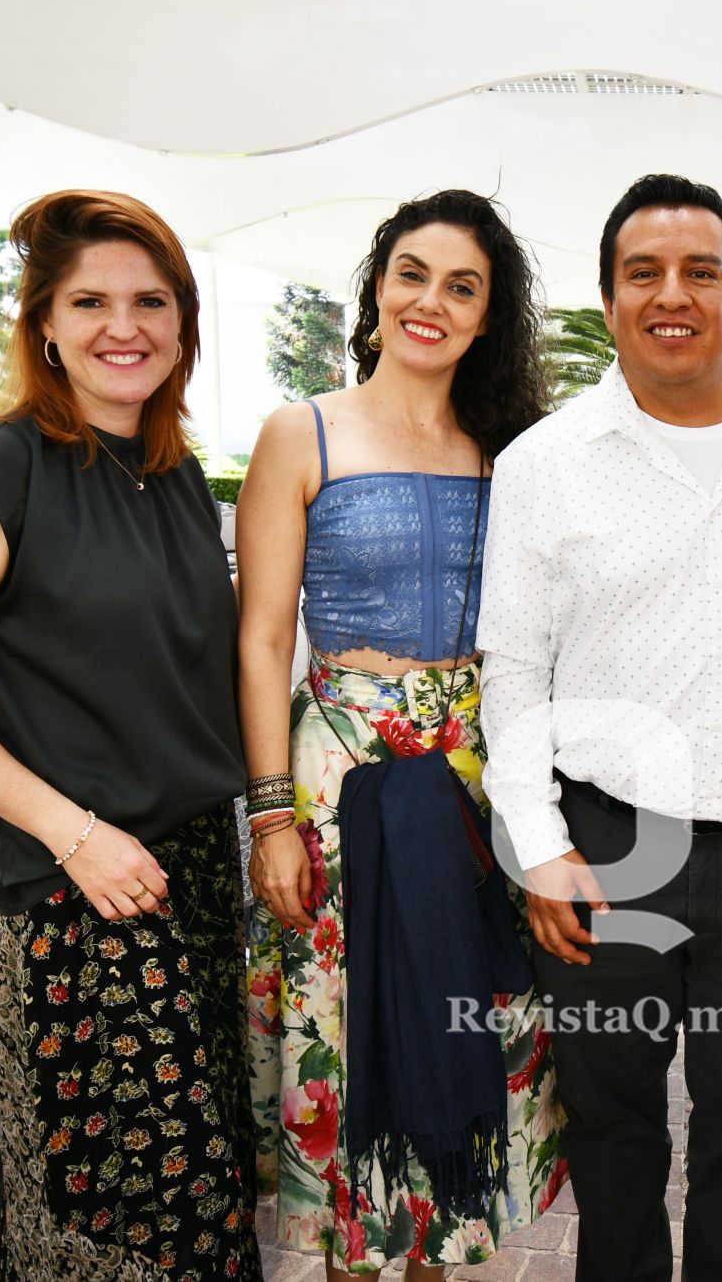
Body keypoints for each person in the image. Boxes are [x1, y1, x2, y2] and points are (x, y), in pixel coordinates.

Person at [478, 173, 722, 1281]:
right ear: (608, 298)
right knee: (612, 1132)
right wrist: (538, 846)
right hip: (606, 853)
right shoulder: (542, 464)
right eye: (642, 272)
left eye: (701, 271)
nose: (672, 294)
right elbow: (511, 669)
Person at [0, 190, 262, 1279]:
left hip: (191, 871)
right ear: (43, 323)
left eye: (151, 300)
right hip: (77, 888)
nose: (121, 324)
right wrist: (72, 833)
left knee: (206, 1209)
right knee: (126, 1233)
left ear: (184, 325)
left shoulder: (176, 474)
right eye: (88, 299)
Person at [236, 190, 567, 1276]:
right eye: (413, 273)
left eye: (461, 286)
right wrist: (271, 816)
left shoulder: (510, 449)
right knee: (361, 1042)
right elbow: (256, 640)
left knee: (462, 1039)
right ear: (378, 285)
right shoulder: (302, 431)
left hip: (476, 776)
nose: (431, 300)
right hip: (341, 784)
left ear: (485, 318)